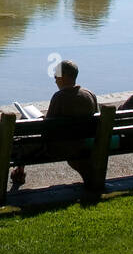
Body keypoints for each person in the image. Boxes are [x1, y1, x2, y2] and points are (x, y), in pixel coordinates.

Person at [11, 59, 102, 189]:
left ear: (63, 76)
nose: (55, 80)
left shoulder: (60, 97)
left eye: (56, 75)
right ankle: (19, 171)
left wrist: (40, 119)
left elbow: (46, 131)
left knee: (23, 129)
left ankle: (19, 171)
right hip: (81, 143)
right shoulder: (89, 95)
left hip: (58, 147)